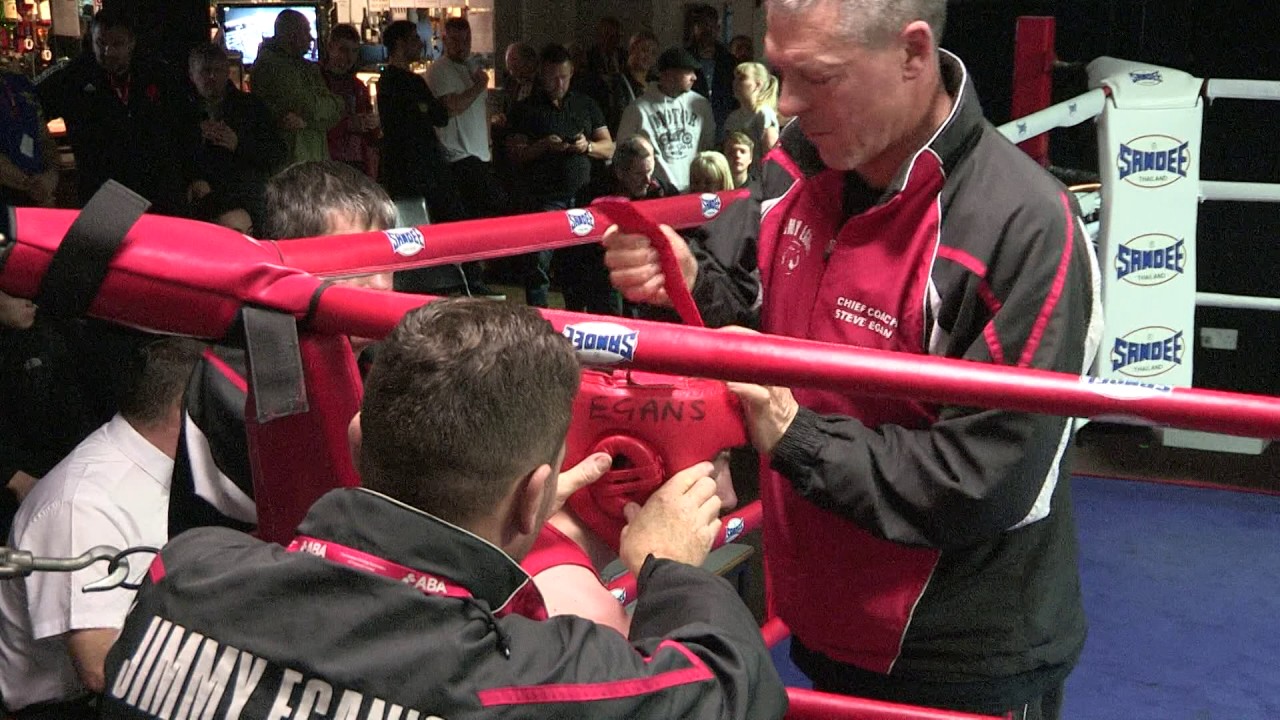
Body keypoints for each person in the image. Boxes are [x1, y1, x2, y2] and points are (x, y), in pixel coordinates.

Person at [603, 1, 1103, 717]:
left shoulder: (1024, 224)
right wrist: (687, 279)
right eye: (779, 72)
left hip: (957, 652)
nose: (788, 103)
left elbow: (985, 478)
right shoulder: (793, 170)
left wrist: (795, 435)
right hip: (822, 616)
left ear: (912, 54)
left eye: (818, 77)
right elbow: (757, 315)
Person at [99, 298, 789, 720]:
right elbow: (732, 691)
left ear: (357, 436)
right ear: (531, 497)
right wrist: (667, 562)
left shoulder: (184, 574)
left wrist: (532, 530)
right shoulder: (513, 684)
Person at [168, 161, 394, 537]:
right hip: (249, 580)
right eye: (355, 262)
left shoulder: (385, 358)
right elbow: (336, 520)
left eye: (385, 261)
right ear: (288, 268)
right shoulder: (243, 373)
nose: (381, 285)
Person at [0, 337, 203, 720]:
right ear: (186, 412)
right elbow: (99, 667)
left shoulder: (160, 473)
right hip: (68, 710)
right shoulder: (84, 504)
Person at [36, 8, 193, 214]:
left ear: (132, 43)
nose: (107, 52)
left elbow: (186, 128)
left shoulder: (158, 74)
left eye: (117, 44)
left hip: (160, 193)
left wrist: (193, 176)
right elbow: (29, 108)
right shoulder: (73, 77)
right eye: (100, 43)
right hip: (100, 194)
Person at [506, 43, 614, 308]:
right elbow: (515, 154)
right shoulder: (526, 109)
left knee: (576, 266)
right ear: (542, 74)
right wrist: (543, 146)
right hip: (545, 198)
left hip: (582, 195)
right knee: (539, 266)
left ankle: (575, 317)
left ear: (572, 73)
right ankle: (539, 320)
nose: (559, 83)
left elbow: (609, 146)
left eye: (564, 77)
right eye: (553, 77)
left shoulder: (585, 105)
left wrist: (585, 147)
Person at [186, 43, 286, 228]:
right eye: (205, 71)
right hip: (200, 206)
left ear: (227, 72)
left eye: (218, 70)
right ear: (192, 75)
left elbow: (276, 154)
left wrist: (238, 144)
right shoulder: (180, 112)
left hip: (245, 202)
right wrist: (194, 178)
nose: (212, 77)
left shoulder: (251, 107)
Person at [251, 9, 342, 165]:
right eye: (306, 32)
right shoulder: (272, 65)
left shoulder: (306, 66)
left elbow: (338, 108)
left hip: (309, 159)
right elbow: (307, 106)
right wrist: (327, 111)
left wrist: (307, 123)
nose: (311, 38)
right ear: (291, 35)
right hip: (292, 162)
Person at [616, 48, 714, 193]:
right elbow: (623, 155)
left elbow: (708, 148)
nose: (694, 77)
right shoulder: (637, 110)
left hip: (694, 191)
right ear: (669, 74)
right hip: (657, 193)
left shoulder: (700, 105)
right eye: (688, 72)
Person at [322, 24, 380, 178]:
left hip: (357, 164)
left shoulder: (358, 85)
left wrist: (373, 125)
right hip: (327, 162)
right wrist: (348, 125)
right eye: (343, 50)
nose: (349, 58)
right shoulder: (317, 81)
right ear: (330, 47)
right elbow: (314, 123)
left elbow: (371, 136)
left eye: (354, 51)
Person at [0, 69, 59, 207]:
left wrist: (51, 175)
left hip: (34, 195)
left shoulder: (19, 82)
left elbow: (44, 138)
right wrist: (29, 184)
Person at [685, 3, 739, 141]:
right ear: (694, 28)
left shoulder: (730, 62)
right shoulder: (684, 60)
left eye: (710, 25)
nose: (706, 30)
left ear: (718, 28)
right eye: (702, 25)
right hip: (691, 127)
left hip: (724, 128)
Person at [723, 62, 780, 164]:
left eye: (742, 78)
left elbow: (772, 159)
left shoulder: (764, 115)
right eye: (735, 78)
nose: (735, 83)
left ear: (757, 85)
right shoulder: (732, 118)